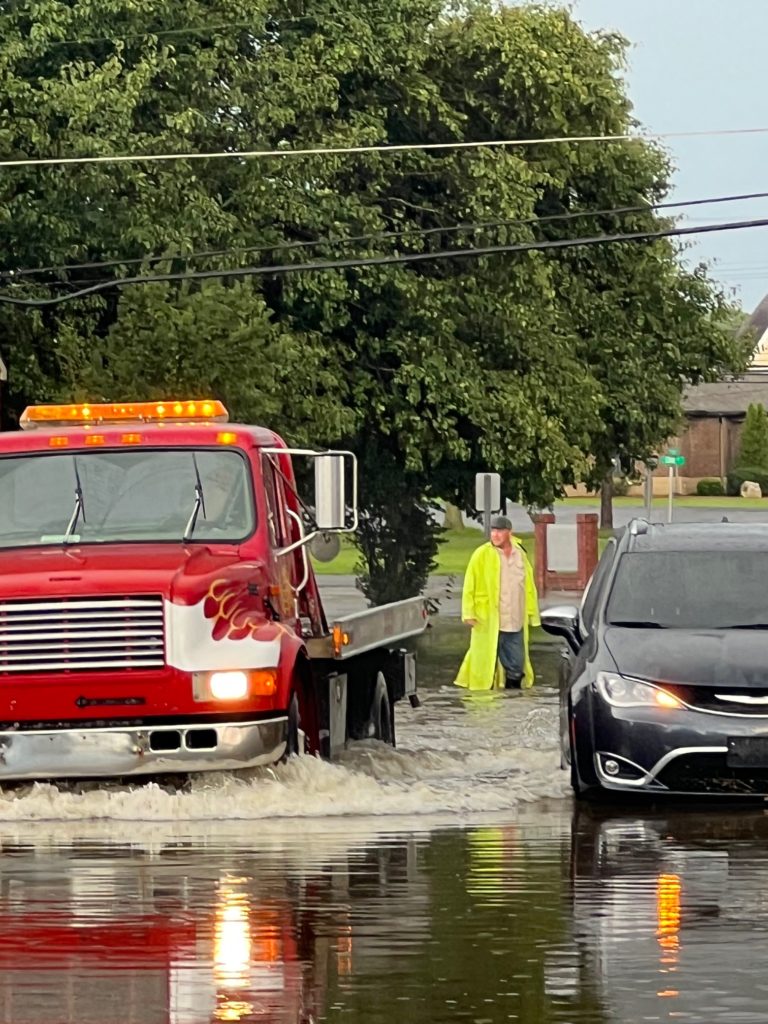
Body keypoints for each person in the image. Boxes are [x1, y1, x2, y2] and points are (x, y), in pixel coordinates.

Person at [455, 514, 540, 691]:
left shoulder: (520, 554)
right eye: (493, 531)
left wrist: (532, 614)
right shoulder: (481, 554)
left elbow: (528, 587)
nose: (495, 535)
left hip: (515, 620)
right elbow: (470, 584)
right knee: (484, 661)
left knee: (516, 664)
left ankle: (512, 700)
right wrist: (468, 613)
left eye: (499, 531)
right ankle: (482, 699)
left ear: (509, 532)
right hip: (488, 620)